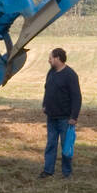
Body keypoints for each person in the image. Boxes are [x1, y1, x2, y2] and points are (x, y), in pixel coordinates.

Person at [40, 47, 81, 178]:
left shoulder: (70, 75)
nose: (49, 60)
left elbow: (77, 97)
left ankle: (66, 172)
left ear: (58, 58)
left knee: (66, 146)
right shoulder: (51, 72)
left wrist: (74, 116)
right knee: (51, 144)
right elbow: (47, 90)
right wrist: (45, 105)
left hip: (65, 119)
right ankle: (48, 170)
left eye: (50, 58)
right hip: (51, 117)